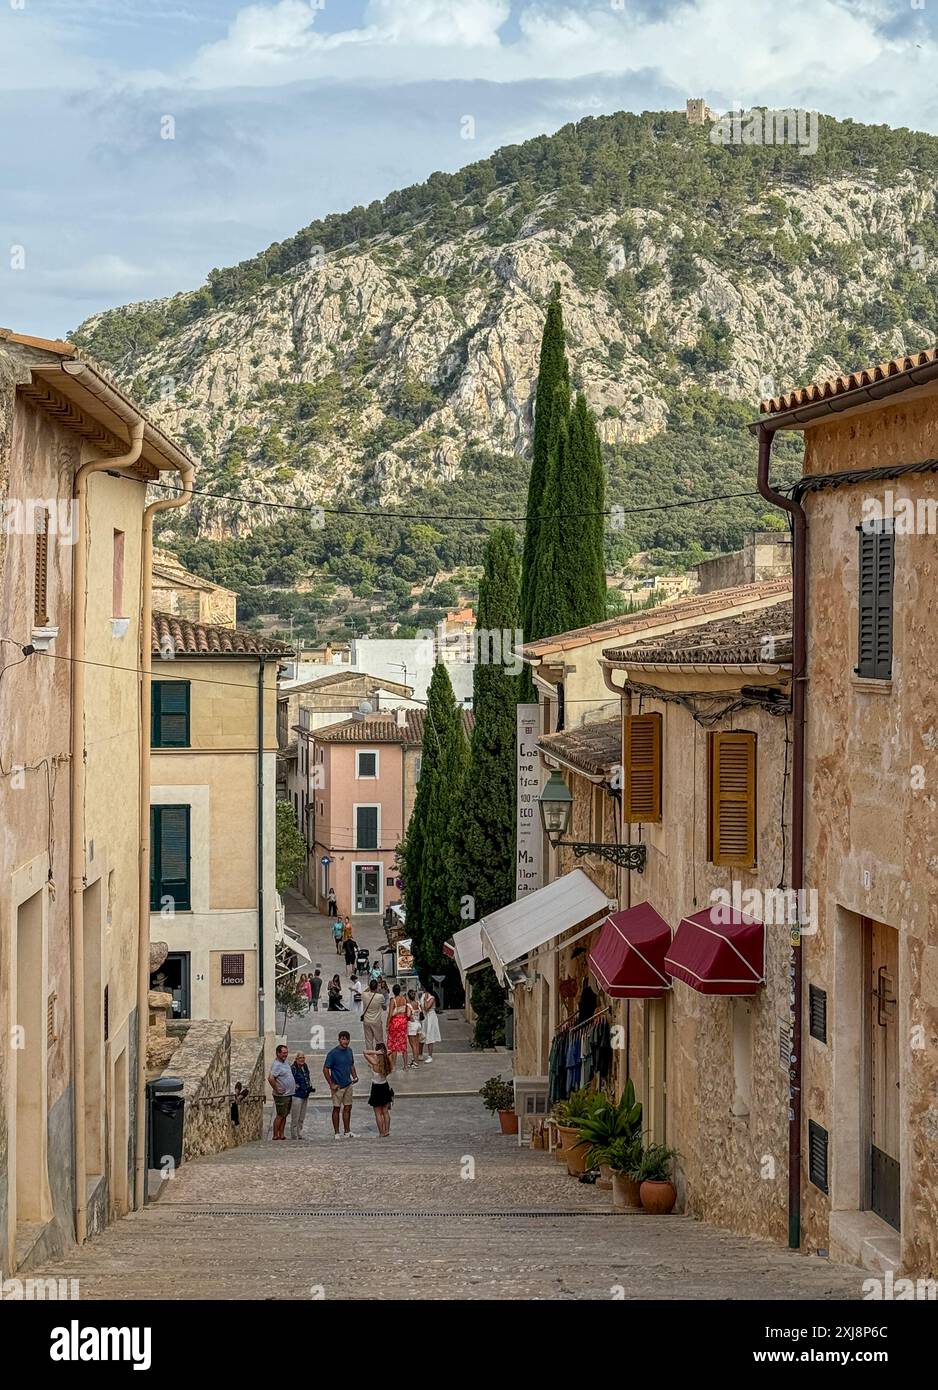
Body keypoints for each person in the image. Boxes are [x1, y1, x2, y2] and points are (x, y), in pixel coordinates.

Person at [323, 1031, 358, 1138]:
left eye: (347, 1039)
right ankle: (336, 1132)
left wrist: (355, 1076)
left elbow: (351, 1064)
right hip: (337, 1086)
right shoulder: (333, 1053)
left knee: (348, 1107)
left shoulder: (349, 1051)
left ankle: (347, 1131)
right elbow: (325, 1069)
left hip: (348, 1084)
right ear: (339, 1040)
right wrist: (331, 1084)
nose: (345, 1041)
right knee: (336, 1108)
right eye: (343, 1039)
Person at [363, 1043, 394, 1136]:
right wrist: (385, 1053)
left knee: (377, 1112)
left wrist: (376, 1052)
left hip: (376, 1087)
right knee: (385, 1112)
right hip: (385, 1086)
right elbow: (391, 1051)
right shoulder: (388, 1062)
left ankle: (381, 1132)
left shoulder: (375, 1062)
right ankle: (387, 1131)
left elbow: (365, 1052)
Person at [267, 1043, 295, 1141]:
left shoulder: (285, 1062)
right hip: (282, 1095)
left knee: (285, 1114)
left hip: (288, 1093)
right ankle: (275, 1135)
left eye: (286, 1053)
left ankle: (281, 1134)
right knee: (280, 1115)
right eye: (283, 1053)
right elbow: (270, 1078)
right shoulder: (276, 1065)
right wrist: (277, 1088)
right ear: (278, 1053)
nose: (285, 1055)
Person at [290, 1052, 314, 1139]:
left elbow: (307, 1077)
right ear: (296, 1059)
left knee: (302, 1116)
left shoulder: (305, 1066)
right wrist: (295, 1085)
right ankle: (294, 1135)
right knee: (295, 1116)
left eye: (303, 1057)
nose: (302, 1059)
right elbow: (290, 1079)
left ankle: (300, 1133)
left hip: (305, 1094)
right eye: (300, 1058)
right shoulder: (293, 1068)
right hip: (297, 1095)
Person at [360, 977, 387, 1050]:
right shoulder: (380, 997)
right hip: (376, 1021)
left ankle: (371, 1057)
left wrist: (369, 987)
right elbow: (384, 1008)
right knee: (379, 1040)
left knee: (368, 1041)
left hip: (366, 1020)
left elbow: (363, 992)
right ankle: (379, 1057)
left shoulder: (364, 995)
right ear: (377, 987)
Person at [386, 984, 409, 1065]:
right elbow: (407, 1010)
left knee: (393, 1044)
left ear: (393, 991)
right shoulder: (404, 999)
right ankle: (405, 1065)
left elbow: (390, 1014)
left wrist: (387, 1025)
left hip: (395, 1022)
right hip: (403, 1021)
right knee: (403, 1043)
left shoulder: (393, 1000)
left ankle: (393, 1064)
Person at [421, 985, 441, 1062]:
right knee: (423, 1035)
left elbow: (426, 1008)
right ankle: (420, 1054)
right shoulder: (423, 995)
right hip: (425, 1018)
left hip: (431, 1017)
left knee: (430, 1036)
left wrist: (426, 999)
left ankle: (430, 1056)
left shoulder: (432, 998)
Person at [406, 988, 424, 1069]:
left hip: (412, 1025)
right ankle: (414, 1060)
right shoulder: (418, 1003)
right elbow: (421, 1012)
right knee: (416, 1044)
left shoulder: (409, 1005)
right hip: (418, 1024)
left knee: (413, 1045)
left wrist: (409, 1017)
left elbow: (408, 1014)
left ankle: (416, 1062)